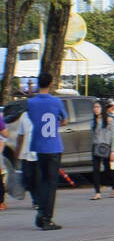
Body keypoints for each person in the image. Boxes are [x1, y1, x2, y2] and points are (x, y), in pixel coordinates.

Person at [26, 73, 67, 230]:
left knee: (42, 181)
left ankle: (40, 213)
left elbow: (32, 119)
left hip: (38, 146)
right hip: (53, 146)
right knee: (51, 184)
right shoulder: (56, 102)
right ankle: (47, 218)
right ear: (50, 83)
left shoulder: (31, 103)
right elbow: (64, 120)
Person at [88, 99, 114, 200]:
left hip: (106, 147)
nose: (95, 109)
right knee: (95, 170)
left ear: (102, 108)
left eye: (97, 107)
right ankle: (97, 192)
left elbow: (113, 136)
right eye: (94, 107)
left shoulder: (109, 120)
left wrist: (113, 151)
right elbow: (93, 135)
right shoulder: (92, 121)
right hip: (96, 147)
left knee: (107, 169)